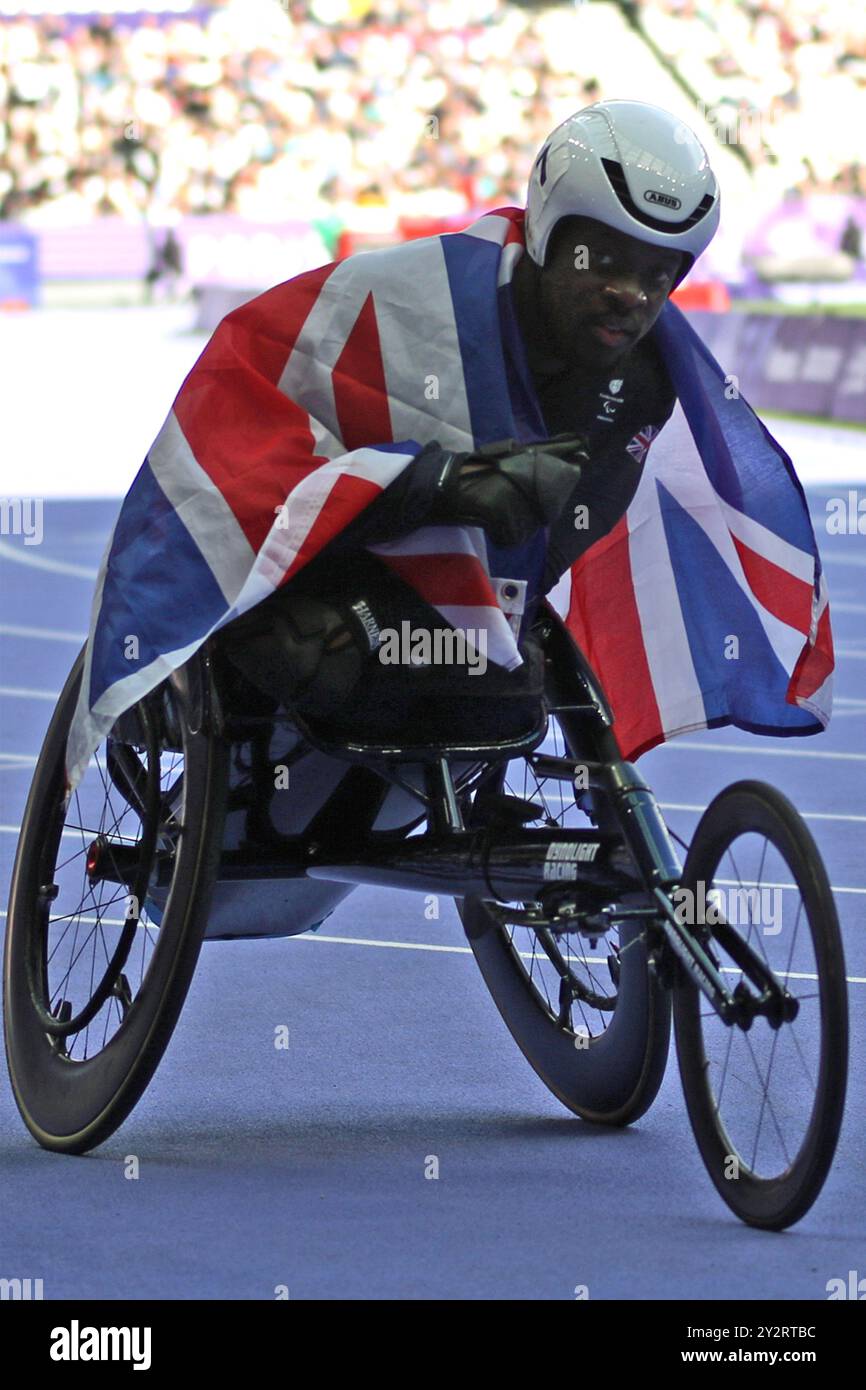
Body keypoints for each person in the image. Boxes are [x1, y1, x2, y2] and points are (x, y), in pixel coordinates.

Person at [218, 99, 720, 743]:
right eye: (605, 262)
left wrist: (481, 617)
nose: (632, 295)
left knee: (496, 689)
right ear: (548, 235)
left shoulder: (645, 377)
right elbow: (264, 464)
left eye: (657, 275)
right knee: (314, 651)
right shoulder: (423, 301)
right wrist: (448, 483)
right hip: (326, 559)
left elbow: (565, 533)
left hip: (453, 587)